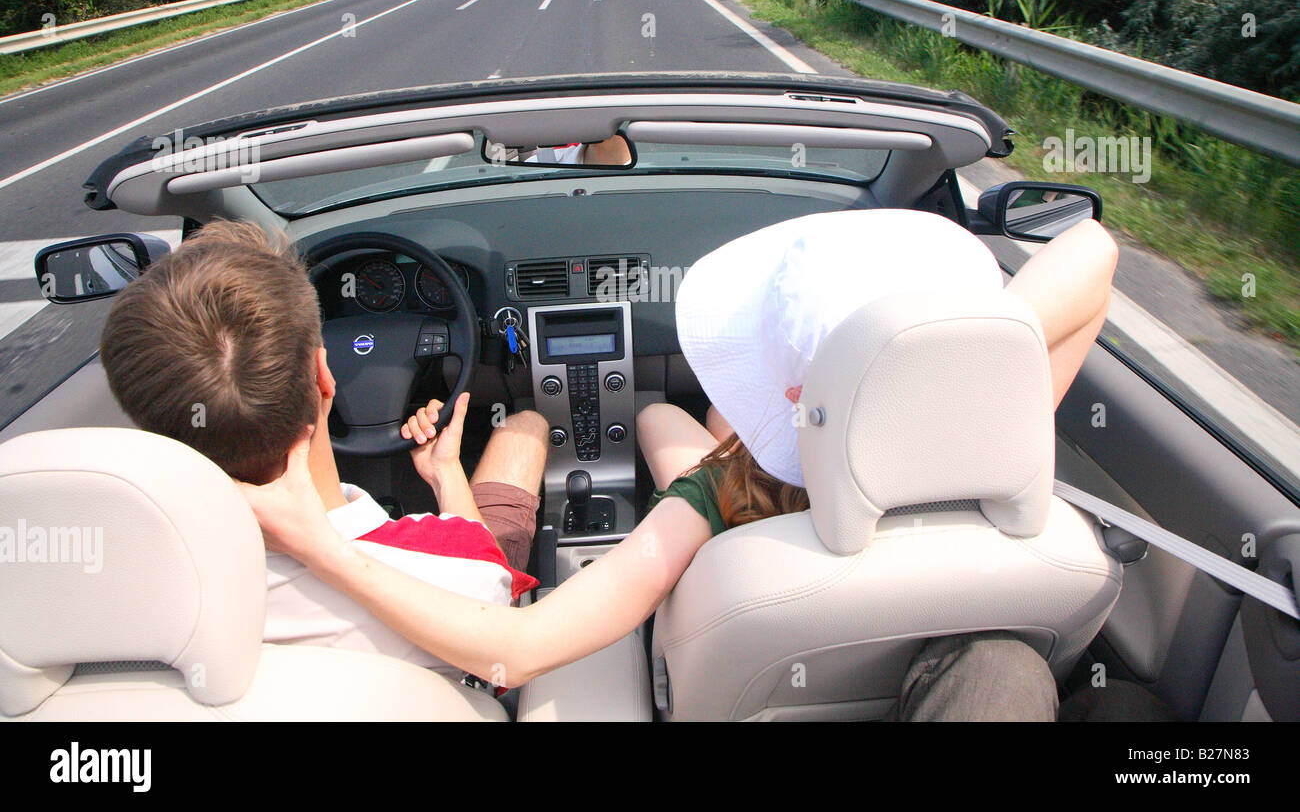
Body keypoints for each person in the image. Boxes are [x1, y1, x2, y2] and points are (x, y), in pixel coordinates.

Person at [242, 209, 1118, 715]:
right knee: (1008, 666)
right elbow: (1094, 253)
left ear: (789, 394)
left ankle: (697, 420)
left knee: (674, 425)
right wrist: (945, 372)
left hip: (746, 497)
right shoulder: (1004, 437)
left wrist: (326, 546)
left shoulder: (722, 494)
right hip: (895, 480)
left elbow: (517, 647)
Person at [98, 220, 549, 677]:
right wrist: (447, 473)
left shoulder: (118, 584)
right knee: (524, 427)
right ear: (323, 375)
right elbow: (495, 609)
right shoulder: (461, 574)